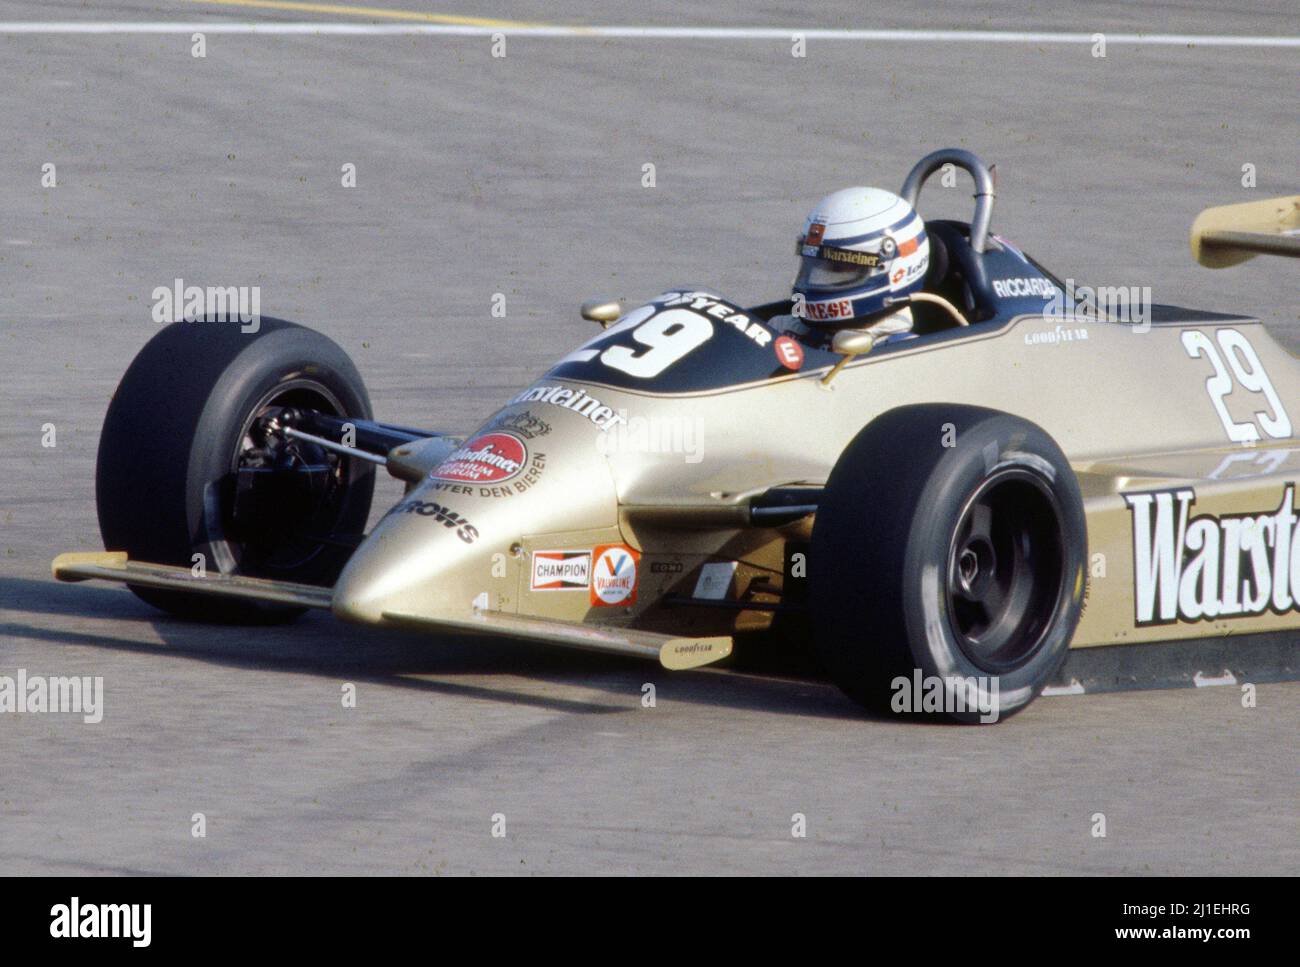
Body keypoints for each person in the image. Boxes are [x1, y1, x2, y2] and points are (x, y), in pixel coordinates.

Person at [772, 187, 930, 350]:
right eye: (815, 265)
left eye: (840, 268)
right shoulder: (786, 330)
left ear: (897, 271)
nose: (820, 277)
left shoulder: (907, 354)